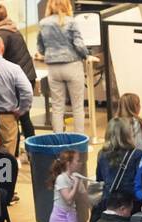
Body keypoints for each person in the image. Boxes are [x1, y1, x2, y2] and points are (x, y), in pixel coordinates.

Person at [36, 0, 89, 134]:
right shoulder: (71, 22)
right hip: (72, 65)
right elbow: (79, 45)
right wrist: (86, 55)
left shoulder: (43, 24)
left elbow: (41, 49)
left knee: (57, 107)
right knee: (77, 107)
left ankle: (58, 141)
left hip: (53, 68)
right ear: (67, 5)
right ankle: (79, 141)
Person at [0, 35, 32, 156]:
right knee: (7, 159)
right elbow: (27, 91)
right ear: (2, 49)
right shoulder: (13, 68)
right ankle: (6, 175)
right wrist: (21, 110)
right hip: (6, 119)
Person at [0, 5, 35, 143]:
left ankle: (19, 153)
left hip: (18, 80)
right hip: (28, 75)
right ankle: (31, 150)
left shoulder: (0, 34)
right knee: (24, 117)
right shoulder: (13, 28)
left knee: (16, 118)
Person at [96, 119, 141, 209]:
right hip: (129, 203)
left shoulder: (101, 154)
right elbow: (139, 182)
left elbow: (99, 179)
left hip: (109, 203)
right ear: (128, 134)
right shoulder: (137, 154)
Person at [47, 148, 88, 222]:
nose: (79, 163)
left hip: (71, 217)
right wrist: (76, 184)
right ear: (69, 164)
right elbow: (68, 200)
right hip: (60, 219)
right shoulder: (61, 178)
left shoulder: (76, 178)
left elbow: (86, 199)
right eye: (77, 160)